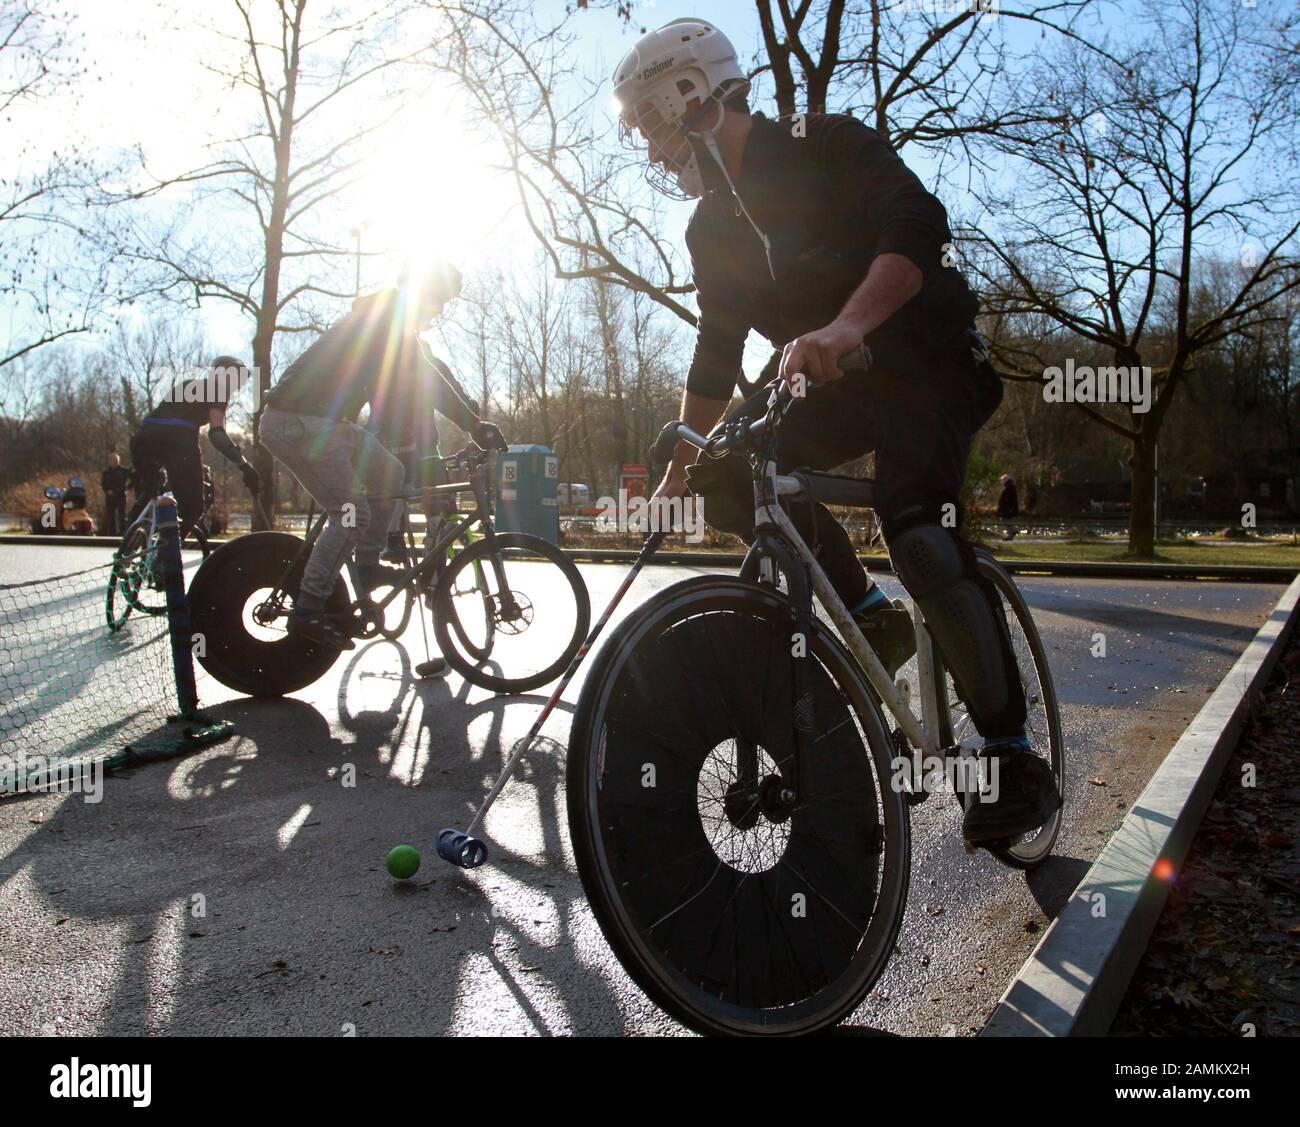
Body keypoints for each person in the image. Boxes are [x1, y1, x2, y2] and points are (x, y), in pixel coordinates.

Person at [615, 18, 1058, 845]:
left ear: (692, 95)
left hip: (928, 361)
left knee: (917, 525)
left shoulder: (827, 143)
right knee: (723, 472)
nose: (653, 151)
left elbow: (917, 225)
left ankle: (1010, 754)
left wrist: (847, 328)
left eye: (653, 126)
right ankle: (868, 612)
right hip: (829, 386)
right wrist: (682, 460)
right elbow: (716, 348)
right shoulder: (710, 229)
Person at [260, 261, 505, 652]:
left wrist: (472, 422)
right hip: (297, 420)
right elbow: (427, 381)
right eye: (438, 301)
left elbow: (426, 377)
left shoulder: (391, 319)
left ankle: (366, 565)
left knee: (390, 476)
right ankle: (307, 608)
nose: (438, 311)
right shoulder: (385, 318)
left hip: (331, 423)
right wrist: (473, 424)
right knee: (350, 511)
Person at [127, 357, 260, 540]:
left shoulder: (189, 385)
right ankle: (165, 556)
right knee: (193, 508)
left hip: (143, 438)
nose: (238, 387)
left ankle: (129, 543)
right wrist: (244, 465)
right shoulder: (219, 390)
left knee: (150, 494)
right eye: (239, 380)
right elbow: (217, 435)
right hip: (177, 442)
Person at [100, 453, 131, 536]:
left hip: (121, 496)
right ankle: (111, 534)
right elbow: (103, 484)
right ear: (109, 461)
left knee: (122, 516)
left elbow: (131, 480)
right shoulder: (106, 473)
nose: (114, 462)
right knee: (111, 517)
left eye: (116, 460)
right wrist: (107, 490)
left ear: (118, 461)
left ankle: (123, 533)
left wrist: (127, 488)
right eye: (112, 460)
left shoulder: (124, 471)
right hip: (110, 497)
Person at [998, 474, 1020, 541]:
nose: (1001, 482)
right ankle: (1010, 535)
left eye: (1002, 480)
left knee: (1005, 520)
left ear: (1005, 480)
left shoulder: (1009, 487)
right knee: (1008, 521)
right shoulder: (1010, 486)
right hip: (1009, 508)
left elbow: (1007, 499)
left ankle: (1014, 530)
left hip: (1008, 508)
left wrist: (1007, 508)